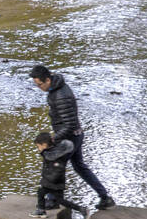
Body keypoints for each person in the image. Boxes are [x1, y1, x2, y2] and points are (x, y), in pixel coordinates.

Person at [29, 64, 116, 210]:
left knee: (54, 165)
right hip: (75, 135)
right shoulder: (57, 89)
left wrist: (53, 139)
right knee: (79, 167)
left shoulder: (61, 96)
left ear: (48, 80)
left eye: (40, 84)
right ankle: (105, 197)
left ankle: (52, 200)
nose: (39, 88)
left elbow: (69, 124)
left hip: (69, 138)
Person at [31, 131, 88, 219]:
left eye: (39, 146)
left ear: (44, 144)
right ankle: (81, 209)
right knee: (60, 200)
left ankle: (41, 211)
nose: (39, 149)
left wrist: (48, 181)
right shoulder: (56, 152)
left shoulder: (50, 155)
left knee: (41, 192)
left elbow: (54, 169)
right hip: (57, 181)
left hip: (52, 182)